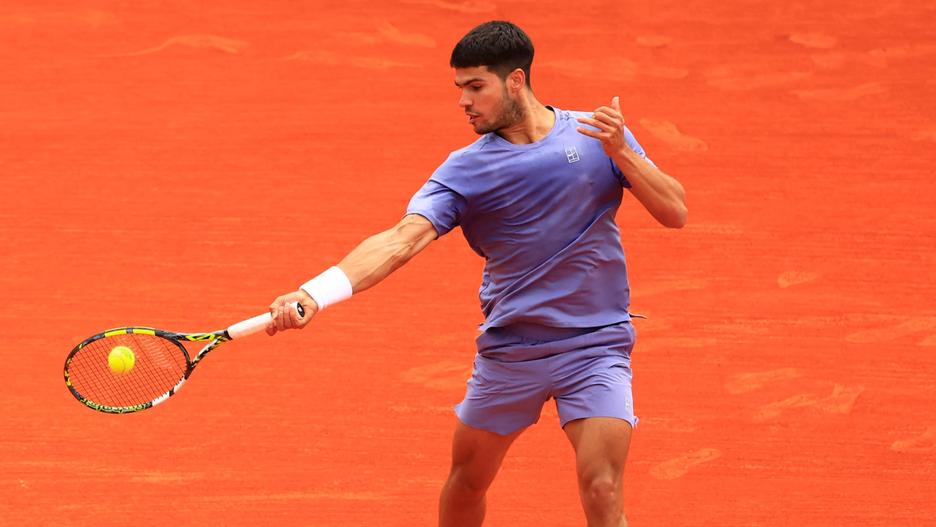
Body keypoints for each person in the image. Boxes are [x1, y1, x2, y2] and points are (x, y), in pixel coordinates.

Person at [266, 20, 687, 527]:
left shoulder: (598, 135)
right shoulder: (465, 170)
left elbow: (675, 211)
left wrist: (622, 153)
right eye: (459, 89)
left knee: (602, 485)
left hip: (595, 345)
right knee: (468, 481)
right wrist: (317, 291)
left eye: (475, 87)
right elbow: (402, 239)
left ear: (515, 81)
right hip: (511, 352)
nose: (464, 102)